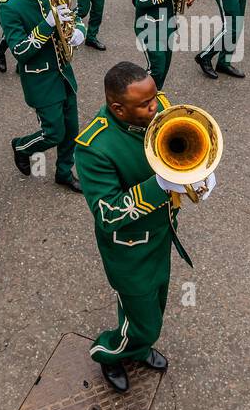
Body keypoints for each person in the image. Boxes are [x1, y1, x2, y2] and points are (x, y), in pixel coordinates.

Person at [76, 62, 217, 393]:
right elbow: (108, 214)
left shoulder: (161, 107)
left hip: (161, 233)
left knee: (157, 302)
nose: (157, 107)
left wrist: (201, 173)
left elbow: (187, 145)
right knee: (144, 320)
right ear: (118, 108)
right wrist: (162, 185)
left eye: (154, 97)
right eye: (145, 104)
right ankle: (109, 351)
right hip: (129, 250)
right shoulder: (94, 146)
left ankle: (137, 345)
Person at [0, 0, 85, 192]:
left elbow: (73, 16)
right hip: (40, 78)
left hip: (64, 73)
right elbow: (20, 50)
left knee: (71, 131)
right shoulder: (10, 6)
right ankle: (22, 147)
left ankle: (64, 172)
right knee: (54, 133)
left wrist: (78, 30)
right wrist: (47, 24)